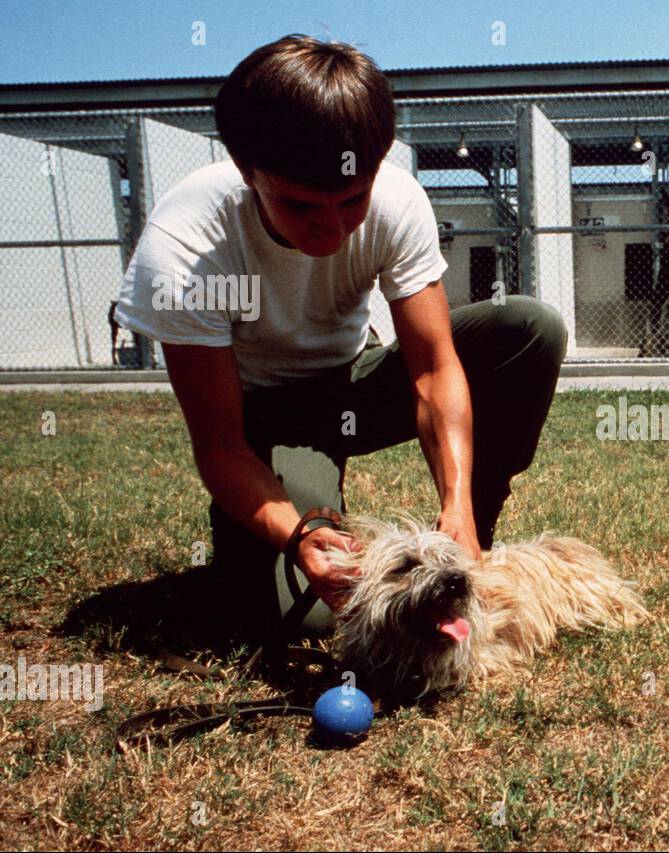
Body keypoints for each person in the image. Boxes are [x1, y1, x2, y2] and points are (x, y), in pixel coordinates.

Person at [112, 35, 567, 634]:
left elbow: (432, 368)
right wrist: (299, 535)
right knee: (310, 615)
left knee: (528, 329)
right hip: (264, 416)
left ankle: (466, 544)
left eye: (352, 200)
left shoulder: (397, 201)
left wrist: (457, 503)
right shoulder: (185, 248)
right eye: (302, 207)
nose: (331, 226)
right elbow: (220, 443)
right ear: (249, 172)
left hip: (354, 385)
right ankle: (279, 539)